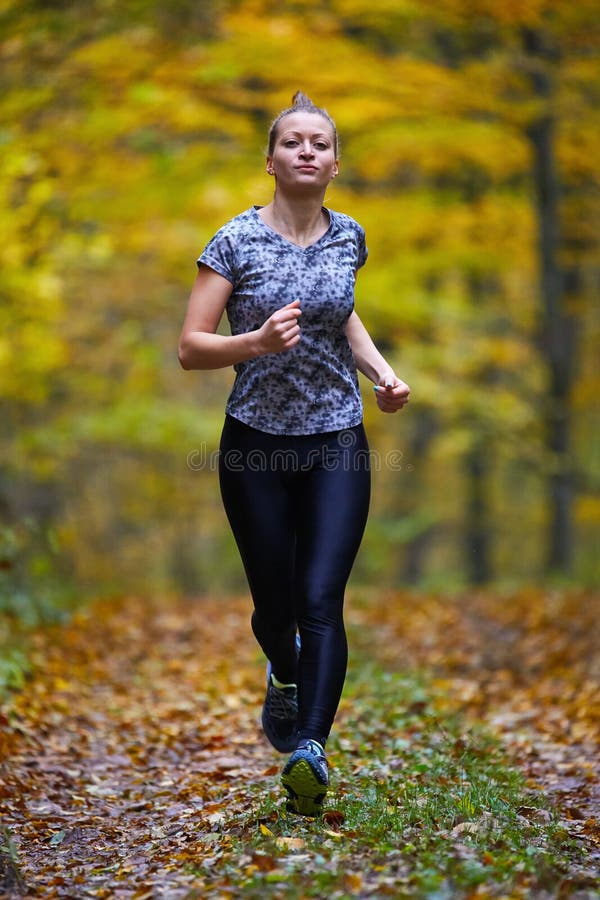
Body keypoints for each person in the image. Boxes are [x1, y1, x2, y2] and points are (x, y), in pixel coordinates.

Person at [178, 91, 410, 816]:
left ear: (335, 163)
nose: (306, 151)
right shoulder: (234, 241)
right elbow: (191, 347)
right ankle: (282, 669)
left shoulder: (350, 238)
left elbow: (342, 313)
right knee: (275, 606)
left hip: (337, 438)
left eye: (320, 143)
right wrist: (252, 343)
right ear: (271, 161)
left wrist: (382, 372)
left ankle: (310, 747)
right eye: (292, 143)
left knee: (320, 600)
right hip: (256, 445)